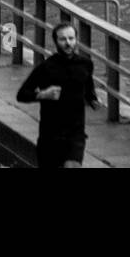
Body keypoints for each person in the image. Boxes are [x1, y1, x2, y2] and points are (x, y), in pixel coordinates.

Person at [16, 21, 99, 168]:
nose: (68, 43)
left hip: (75, 132)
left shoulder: (85, 64)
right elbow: (22, 94)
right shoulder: (46, 68)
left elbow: (88, 88)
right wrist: (42, 95)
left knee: (72, 166)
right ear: (56, 42)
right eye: (63, 39)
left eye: (71, 38)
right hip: (50, 134)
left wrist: (92, 100)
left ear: (76, 39)